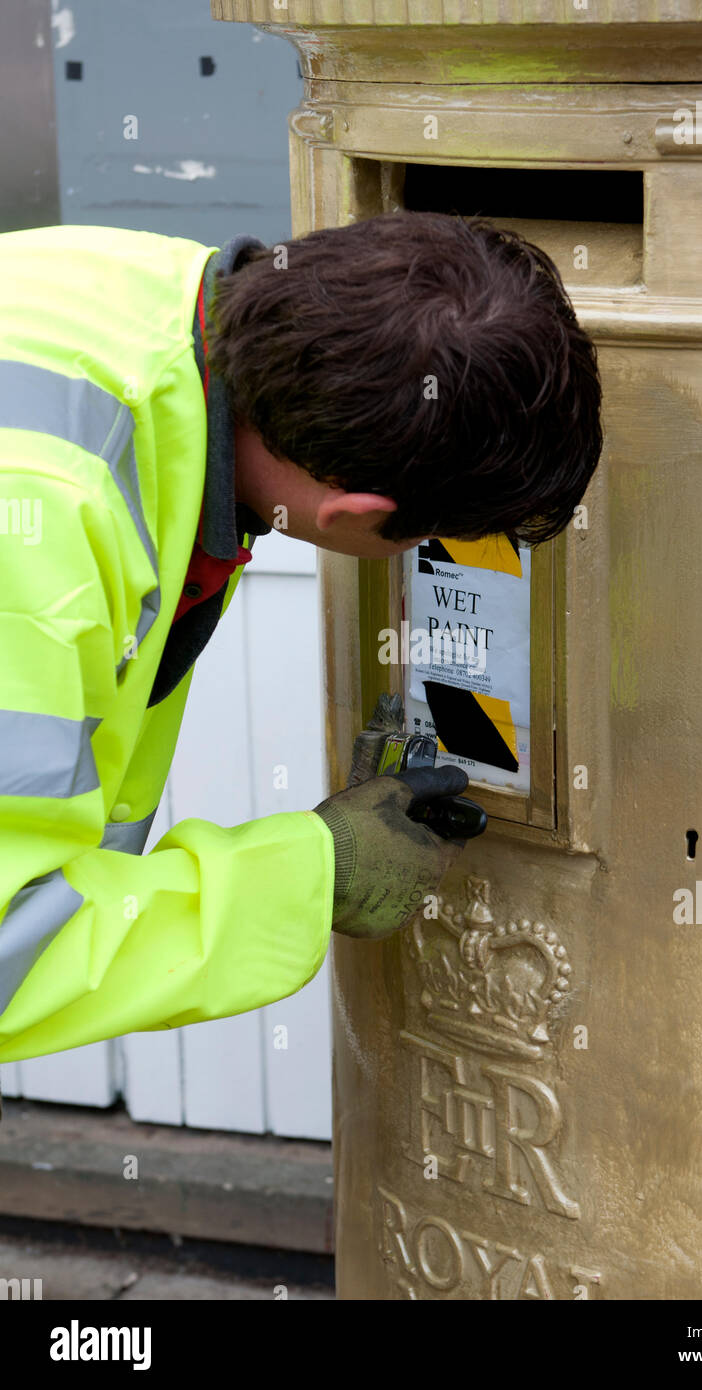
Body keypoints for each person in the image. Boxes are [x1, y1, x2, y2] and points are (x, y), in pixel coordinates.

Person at [0, 210, 602, 1066]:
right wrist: (316, 870)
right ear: (359, 517)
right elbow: (9, 950)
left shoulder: (137, 298)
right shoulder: (43, 538)